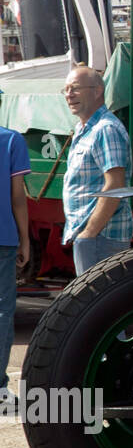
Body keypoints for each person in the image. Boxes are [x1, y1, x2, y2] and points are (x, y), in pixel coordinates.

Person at [62, 65, 133, 275]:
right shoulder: (84, 129)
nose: (68, 95)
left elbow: (115, 185)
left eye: (75, 88)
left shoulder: (106, 129)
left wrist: (89, 233)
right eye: (65, 89)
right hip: (92, 237)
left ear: (97, 91)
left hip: (101, 237)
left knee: (93, 303)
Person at [0, 120, 31, 410]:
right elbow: (17, 196)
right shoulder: (11, 140)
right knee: (1, 314)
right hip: (3, 239)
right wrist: (25, 239)